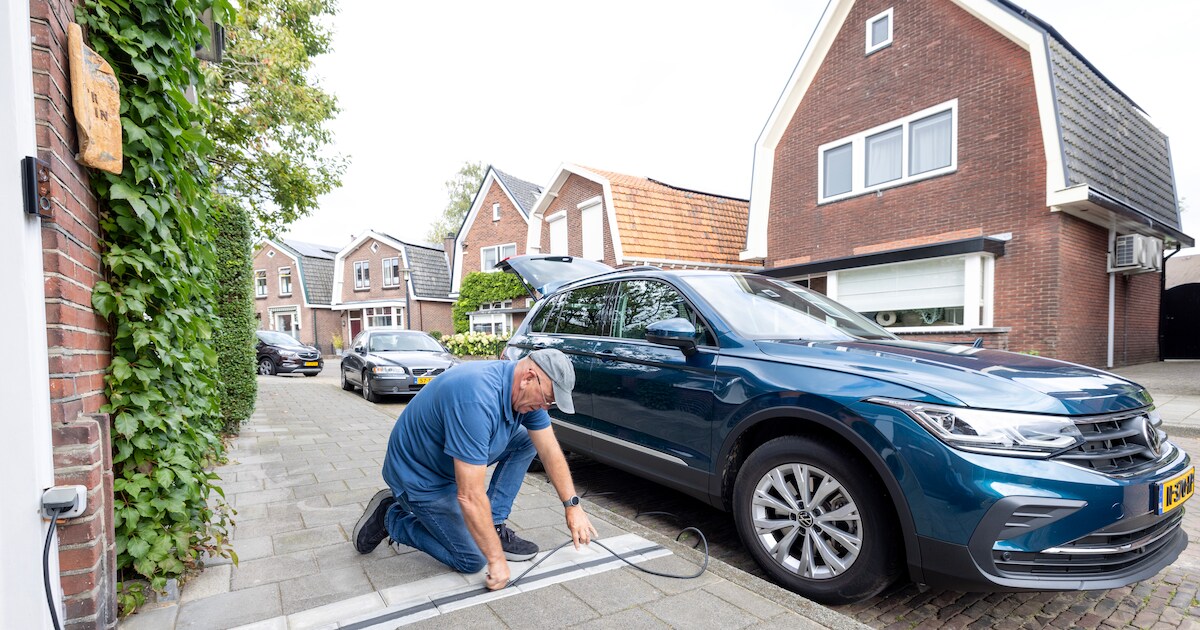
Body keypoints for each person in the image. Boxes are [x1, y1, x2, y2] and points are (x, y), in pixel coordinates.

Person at [352, 348, 598, 590]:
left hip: (447, 461)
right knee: (472, 559)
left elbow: (550, 450)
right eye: (547, 399)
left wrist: (572, 505)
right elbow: (469, 495)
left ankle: (494, 523)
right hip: (419, 477)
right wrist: (496, 560)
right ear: (528, 378)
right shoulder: (477, 399)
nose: (545, 408)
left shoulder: (521, 393)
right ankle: (392, 517)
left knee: (527, 441)